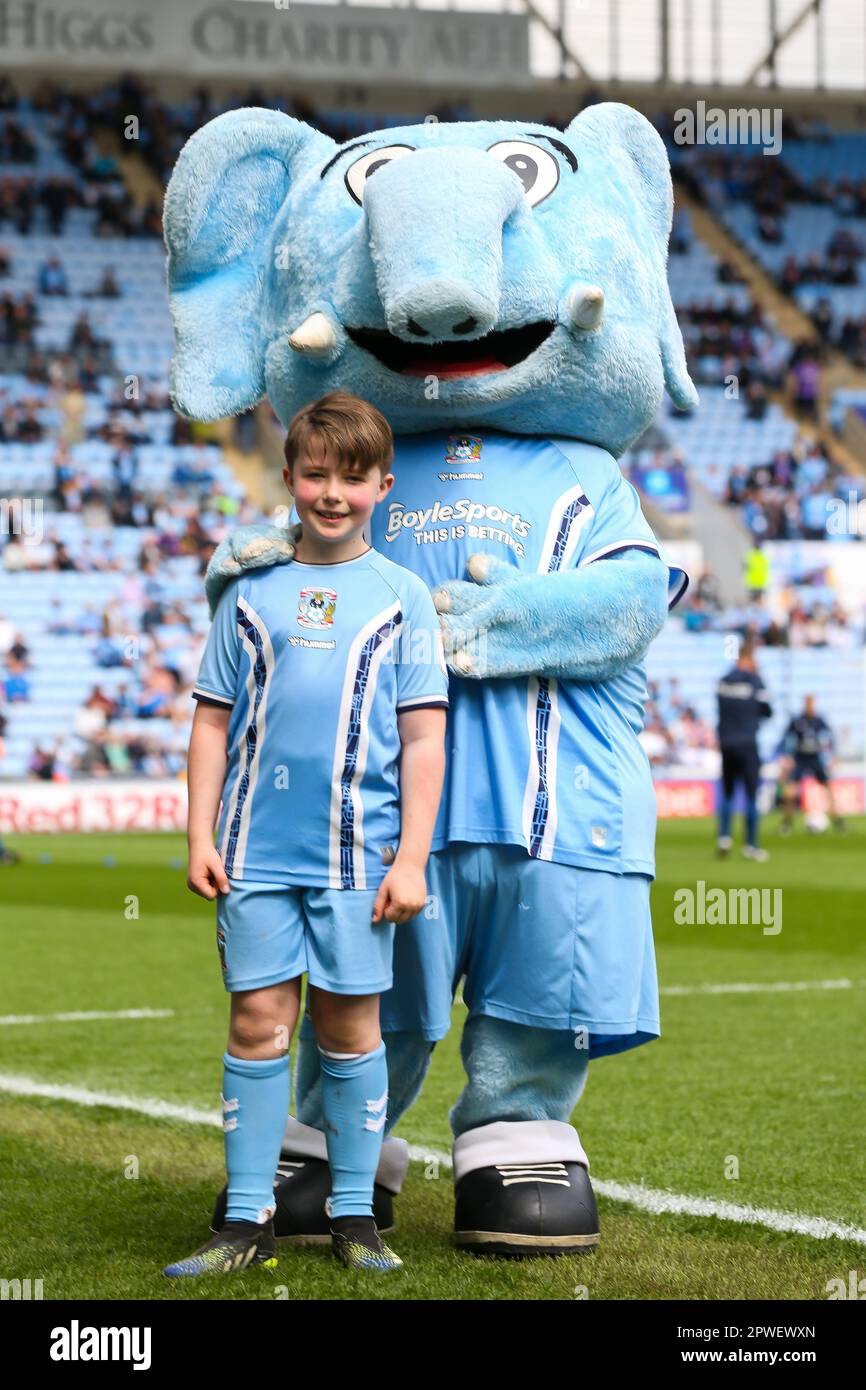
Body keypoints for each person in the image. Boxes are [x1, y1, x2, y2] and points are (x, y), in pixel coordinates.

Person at [164, 394, 448, 1278]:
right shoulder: (249, 591)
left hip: (359, 860)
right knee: (257, 1021)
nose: (333, 493)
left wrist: (409, 859)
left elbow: (424, 735)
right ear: (287, 478)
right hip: (253, 853)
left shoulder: (403, 598)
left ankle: (354, 1218)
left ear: (382, 487)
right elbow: (211, 721)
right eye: (316, 474)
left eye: (352, 478)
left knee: (351, 1028)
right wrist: (198, 835)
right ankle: (244, 1223)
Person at [716, 638, 772, 860]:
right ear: (749, 659)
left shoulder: (723, 681)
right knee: (750, 794)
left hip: (726, 743)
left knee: (728, 792)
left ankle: (724, 837)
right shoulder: (755, 681)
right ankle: (750, 844)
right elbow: (767, 710)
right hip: (748, 743)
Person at [780, 694, 844, 832]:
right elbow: (785, 737)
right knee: (791, 787)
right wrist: (786, 757)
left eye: (812, 703)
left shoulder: (819, 720)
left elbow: (830, 736)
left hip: (815, 757)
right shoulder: (797, 720)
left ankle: (837, 820)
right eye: (808, 703)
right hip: (800, 757)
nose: (810, 706)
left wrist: (833, 756)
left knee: (828, 787)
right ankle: (787, 821)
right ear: (805, 704)